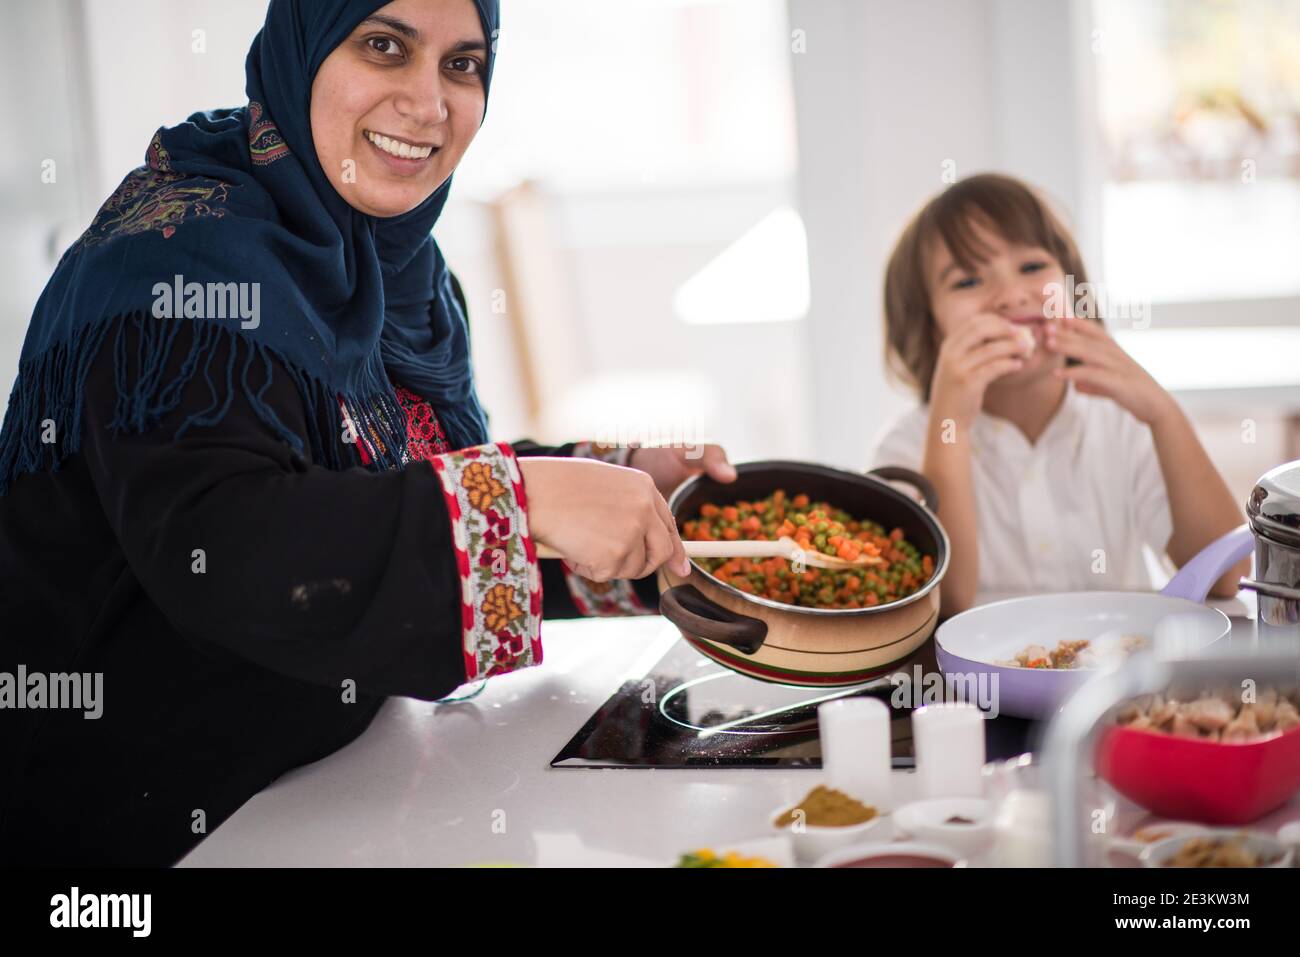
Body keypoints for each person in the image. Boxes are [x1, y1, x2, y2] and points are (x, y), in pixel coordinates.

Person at [0, 0, 733, 866]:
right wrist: (528, 498)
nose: (429, 103)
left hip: (328, 800)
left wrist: (627, 492)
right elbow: (235, 552)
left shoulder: (392, 262)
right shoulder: (178, 261)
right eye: (385, 46)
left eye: (462, 65)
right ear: (302, 49)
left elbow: (400, 496)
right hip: (129, 840)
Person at [869, 173, 1247, 616]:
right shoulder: (906, 449)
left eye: (1031, 267)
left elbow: (1225, 576)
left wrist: (1164, 414)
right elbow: (943, 601)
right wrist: (951, 422)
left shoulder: (1121, 422)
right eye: (968, 282)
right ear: (929, 329)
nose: (1010, 295)